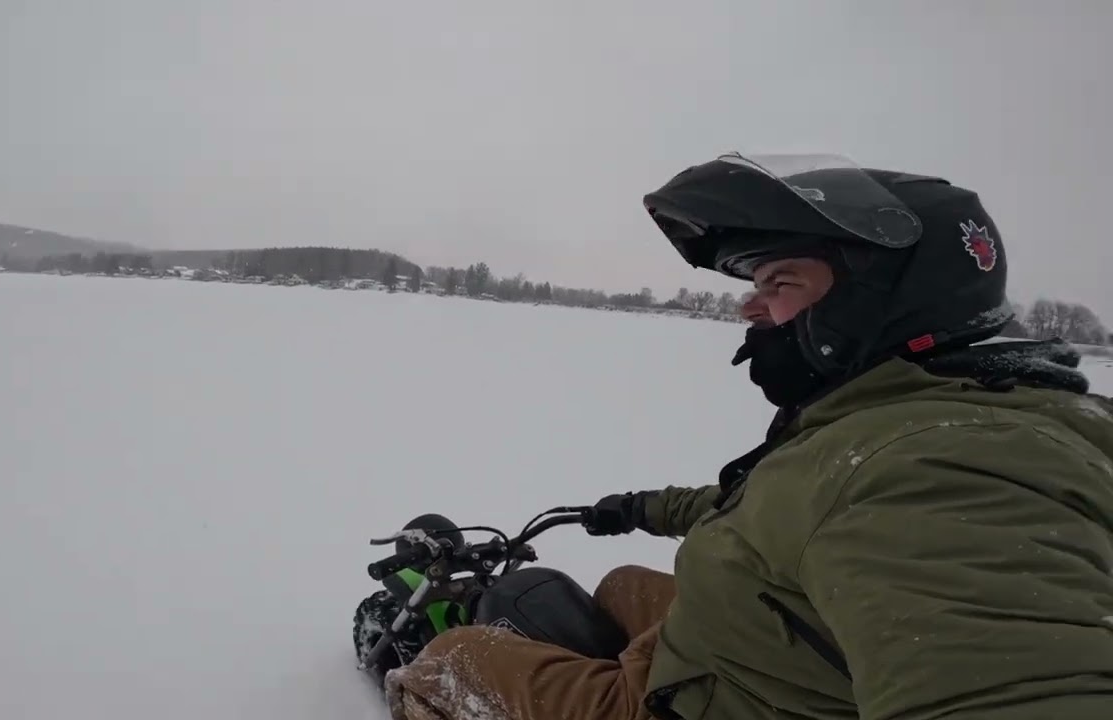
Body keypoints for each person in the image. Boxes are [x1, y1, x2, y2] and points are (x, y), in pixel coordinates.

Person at [383, 153, 1113, 720]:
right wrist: (639, 508)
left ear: (878, 300)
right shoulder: (931, 410)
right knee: (622, 585)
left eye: (779, 282)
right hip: (750, 660)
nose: (751, 310)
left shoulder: (945, 470)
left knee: (453, 658)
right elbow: (783, 509)